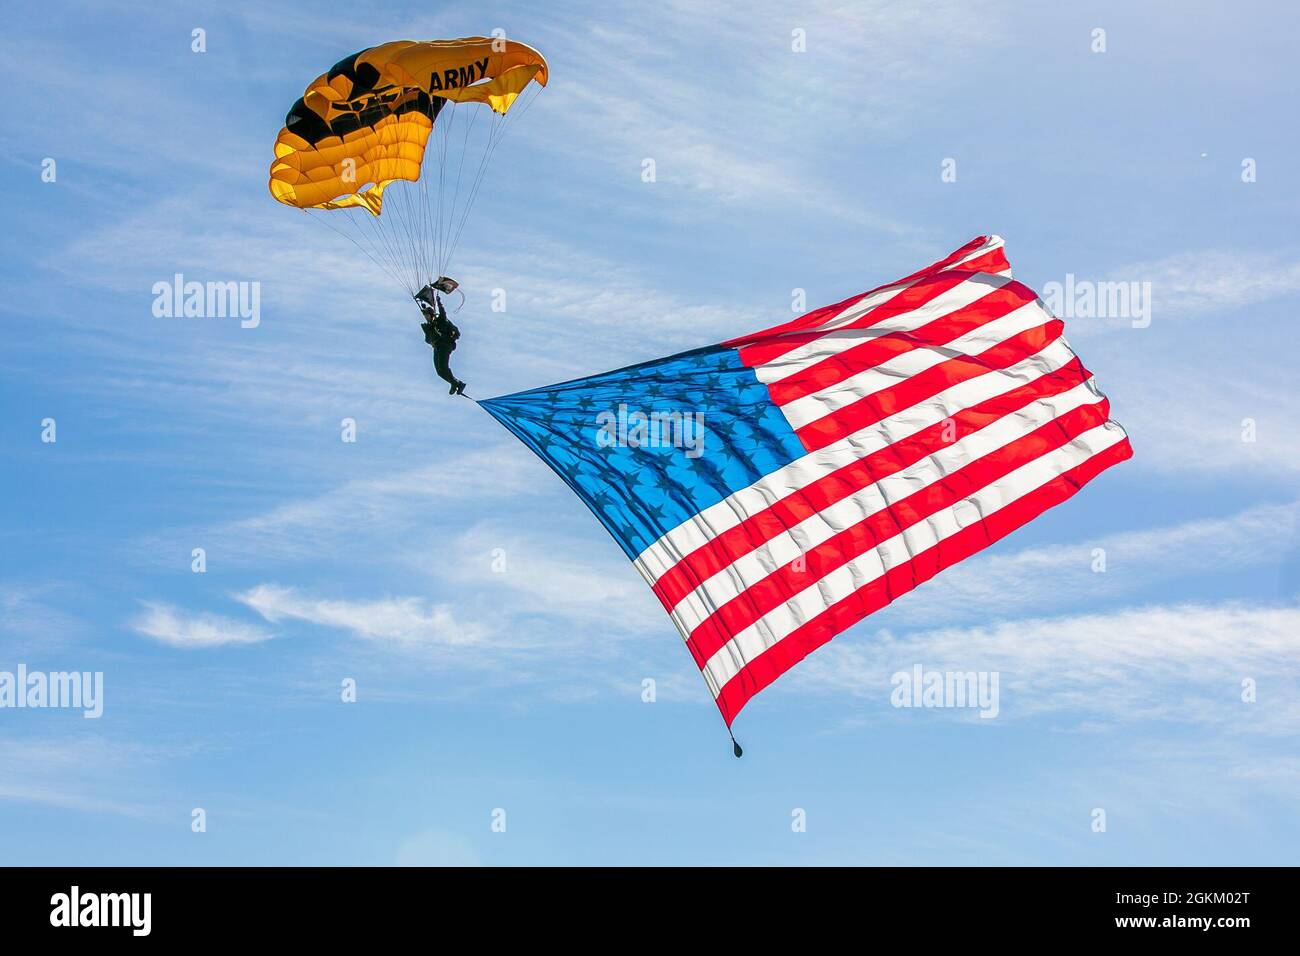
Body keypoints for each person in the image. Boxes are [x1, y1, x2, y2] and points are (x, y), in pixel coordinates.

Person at [419, 293, 466, 395]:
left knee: (443, 367)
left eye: (427, 315)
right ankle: (455, 383)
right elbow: (428, 339)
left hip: (445, 346)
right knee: (439, 372)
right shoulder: (429, 327)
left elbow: (443, 314)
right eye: (425, 315)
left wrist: (439, 303)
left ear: (431, 315)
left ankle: (458, 384)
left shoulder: (440, 321)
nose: (426, 317)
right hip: (437, 347)